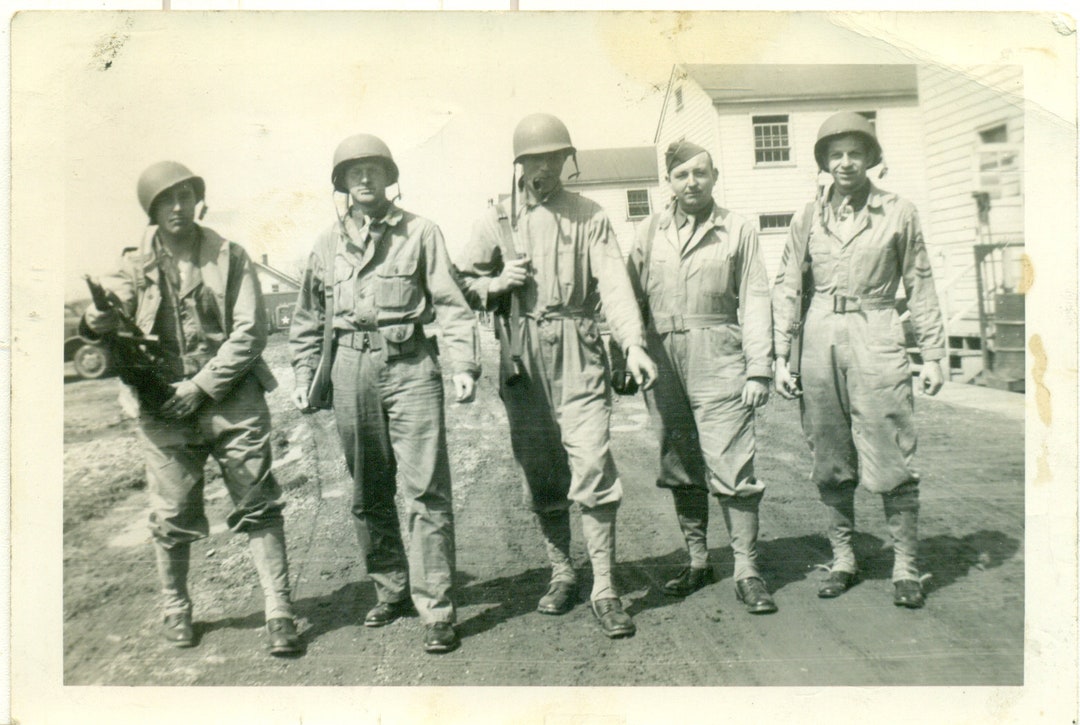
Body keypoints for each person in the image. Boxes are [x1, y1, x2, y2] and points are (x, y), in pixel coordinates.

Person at [82, 161, 302, 655]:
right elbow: (108, 312)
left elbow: (250, 333)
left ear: (197, 201)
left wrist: (201, 387)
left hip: (232, 398)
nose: (178, 207)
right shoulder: (132, 265)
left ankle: (280, 611)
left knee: (259, 503)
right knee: (172, 511)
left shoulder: (230, 256)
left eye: (185, 196)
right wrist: (96, 321)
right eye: (167, 200)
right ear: (152, 210)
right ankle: (176, 608)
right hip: (161, 404)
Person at [455, 113, 657, 639]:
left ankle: (605, 588)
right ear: (518, 165)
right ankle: (562, 570)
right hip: (521, 354)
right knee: (541, 470)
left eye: (552, 159)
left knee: (591, 462)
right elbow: (457, 282)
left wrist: (631, 344)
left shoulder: (590, 215)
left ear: (566, 161)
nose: (543, 169)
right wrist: (497, 282)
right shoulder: (496, 219)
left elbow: (614, 284)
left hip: (578, 349)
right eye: (533, 160)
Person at [289, 134, 479, 654]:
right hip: (350, 369)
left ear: (388, 175)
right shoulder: (326, 245)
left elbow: (452, 305)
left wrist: (462, 363)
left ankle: (436, 608)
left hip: (412, 366)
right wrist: (306, 374)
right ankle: (391, 587)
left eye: (373, 169)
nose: (365, 179)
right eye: (354, 172)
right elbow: (307, 318)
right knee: (368, 489)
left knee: (424, 489)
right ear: (342, 183)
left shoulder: (421, 232)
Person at [772, 111, 946, 608]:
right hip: (819, 335)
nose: (845, 163)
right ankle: (844, 557)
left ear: (871, 158)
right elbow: (789, 286)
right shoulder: (808, 217)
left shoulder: (899, 212)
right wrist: (783, 355)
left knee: (892, 447)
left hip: (877, 331)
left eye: (855, 153)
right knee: (828, 453)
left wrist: (931, 353)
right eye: (836, 154)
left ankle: (907, 566)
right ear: (824, 162)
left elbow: (921, 282)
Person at [626, 141, 777, 615]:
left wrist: (758, 368)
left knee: (732, 463)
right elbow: (626, 297)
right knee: (681, 461)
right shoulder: (648, 231)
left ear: (714, 177)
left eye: (700, 173)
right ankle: (697, 561)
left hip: (719, 353)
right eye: (681, 175)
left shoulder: (738, 230)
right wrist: (626, 352)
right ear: (667, 181)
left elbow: (755, 299)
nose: (691, 182)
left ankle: (747, 570)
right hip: (664, 358)